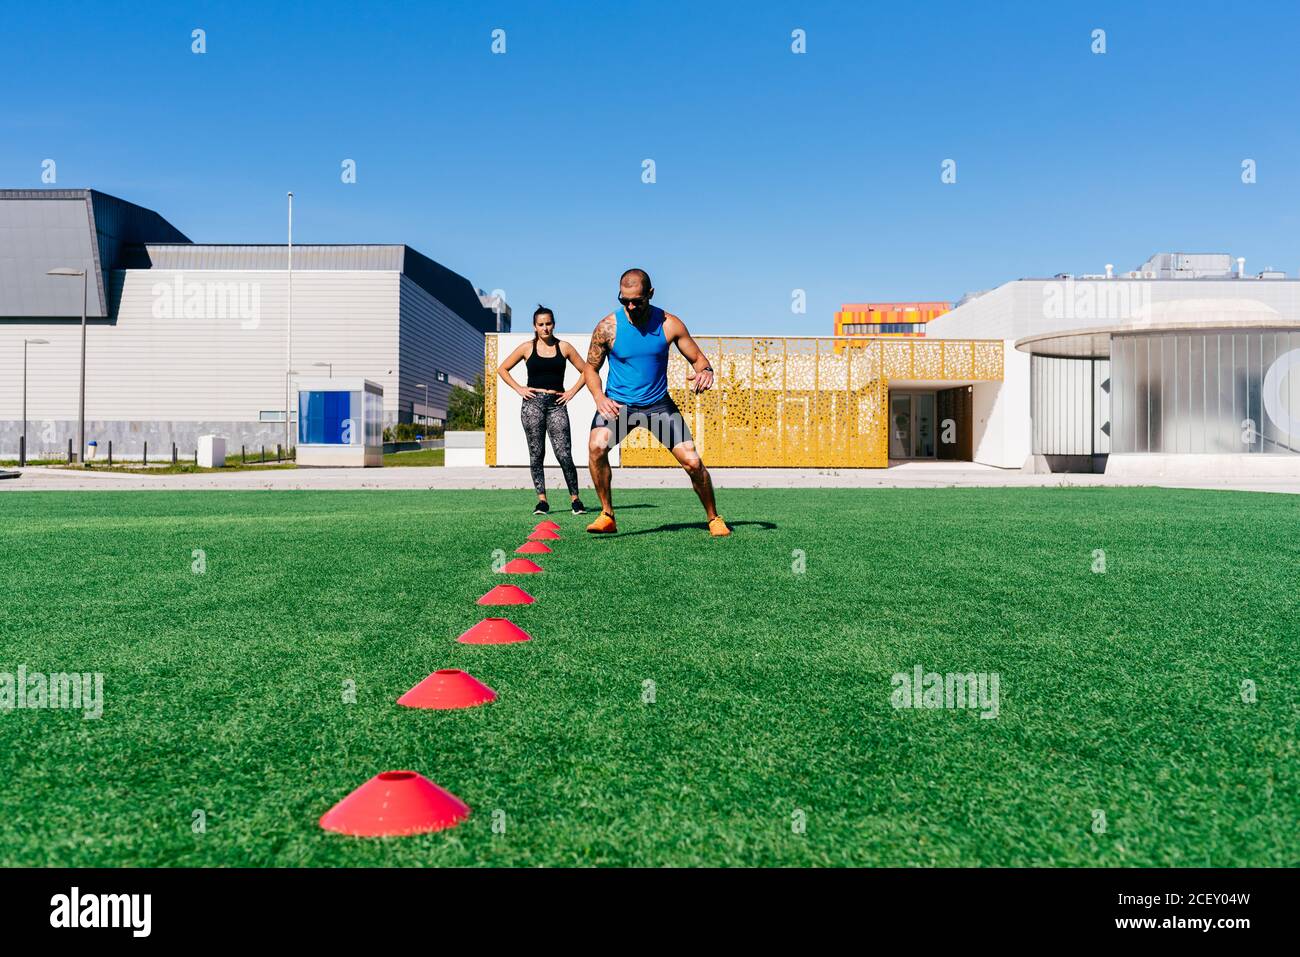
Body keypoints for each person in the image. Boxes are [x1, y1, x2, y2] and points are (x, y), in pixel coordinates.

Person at [581, 268, 729, 536]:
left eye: (637, 300)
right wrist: (599, 397)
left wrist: (705, 372)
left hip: (658, 406)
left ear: (650, 294)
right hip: (619, 405)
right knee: (596, 447)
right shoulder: (607, 328)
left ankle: (714, 518)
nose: (630, 306)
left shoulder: (669, 324)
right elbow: (590, 369)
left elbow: (699, 360)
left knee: (693, 463)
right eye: (624, 300)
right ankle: (607, 515)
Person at [496, 305, 589, 515]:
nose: (545, 328)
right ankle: (542, 501)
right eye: (541, 324)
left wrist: (571, 392)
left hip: (556, 404)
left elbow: (586, 370)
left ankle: (575, 500)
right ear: (535, 326)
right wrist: (519, 388)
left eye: (548, 324)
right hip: (533, 404)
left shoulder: (564, 347)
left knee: (564, 453)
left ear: (553, 324)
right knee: (536, 453)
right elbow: (502, 368)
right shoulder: (527, 348)